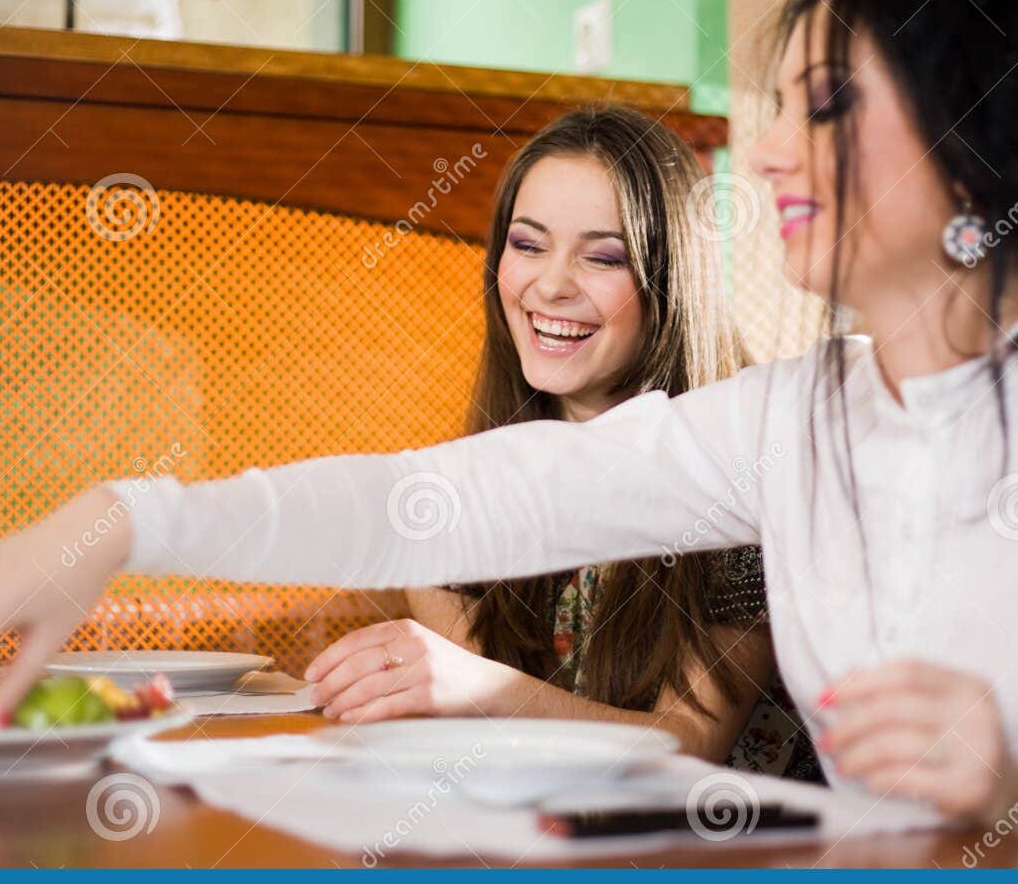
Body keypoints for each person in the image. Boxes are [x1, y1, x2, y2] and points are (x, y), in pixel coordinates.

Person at [0, 0, 1018, 866]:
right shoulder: (791, 421)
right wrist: (113, 520)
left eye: (822, 107)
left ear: (980, 148)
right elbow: (441, 501)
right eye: (773, 106)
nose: (763, 154)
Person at [305, 106, 816, 776]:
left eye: (602, 256)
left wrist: (475, 687)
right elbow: (480, 742)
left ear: (670, 281)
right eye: (527, 244)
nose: (549, 285)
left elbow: (688, 744)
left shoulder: (742, 469)